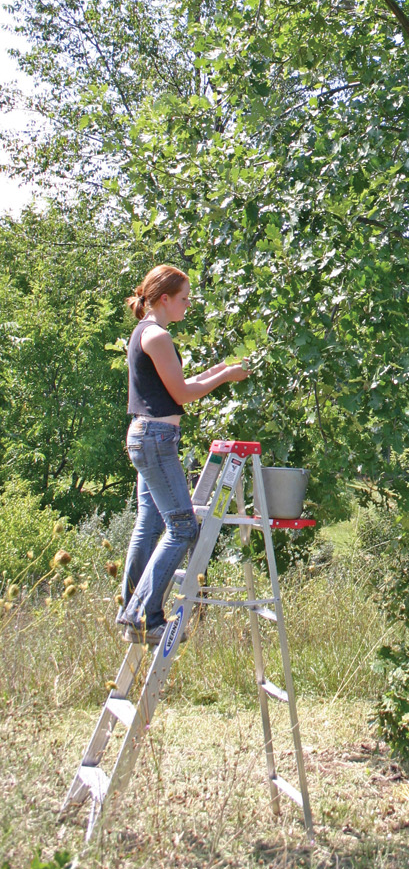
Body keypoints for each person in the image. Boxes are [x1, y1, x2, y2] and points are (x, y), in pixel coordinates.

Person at [117, 264, 249, 645]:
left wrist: (219, 369)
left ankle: (132, 607)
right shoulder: (158, 335)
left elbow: (180, 383)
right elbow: (183, 395)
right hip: (157, 438)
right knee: (183, 528)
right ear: (164, 299)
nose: (188, 305)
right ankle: (143, 615)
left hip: (147, 435)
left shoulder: (145, 332)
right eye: (184, 299)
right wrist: (224, 378)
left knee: (149, 525)